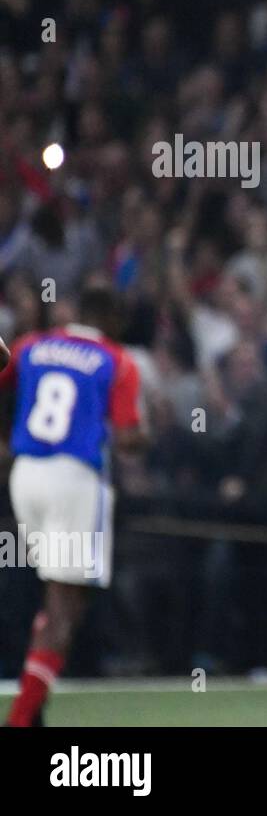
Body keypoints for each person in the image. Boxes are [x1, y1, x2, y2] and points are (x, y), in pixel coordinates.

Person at [2, 287, 145, 727]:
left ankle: (35, 705)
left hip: (24, 473)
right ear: (113, 320)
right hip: (73, 478)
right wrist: (145, 432)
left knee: (56, 593)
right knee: (65, 604)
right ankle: (23, 717)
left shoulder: (31, 345)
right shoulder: (116, 360)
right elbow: (126, 439)